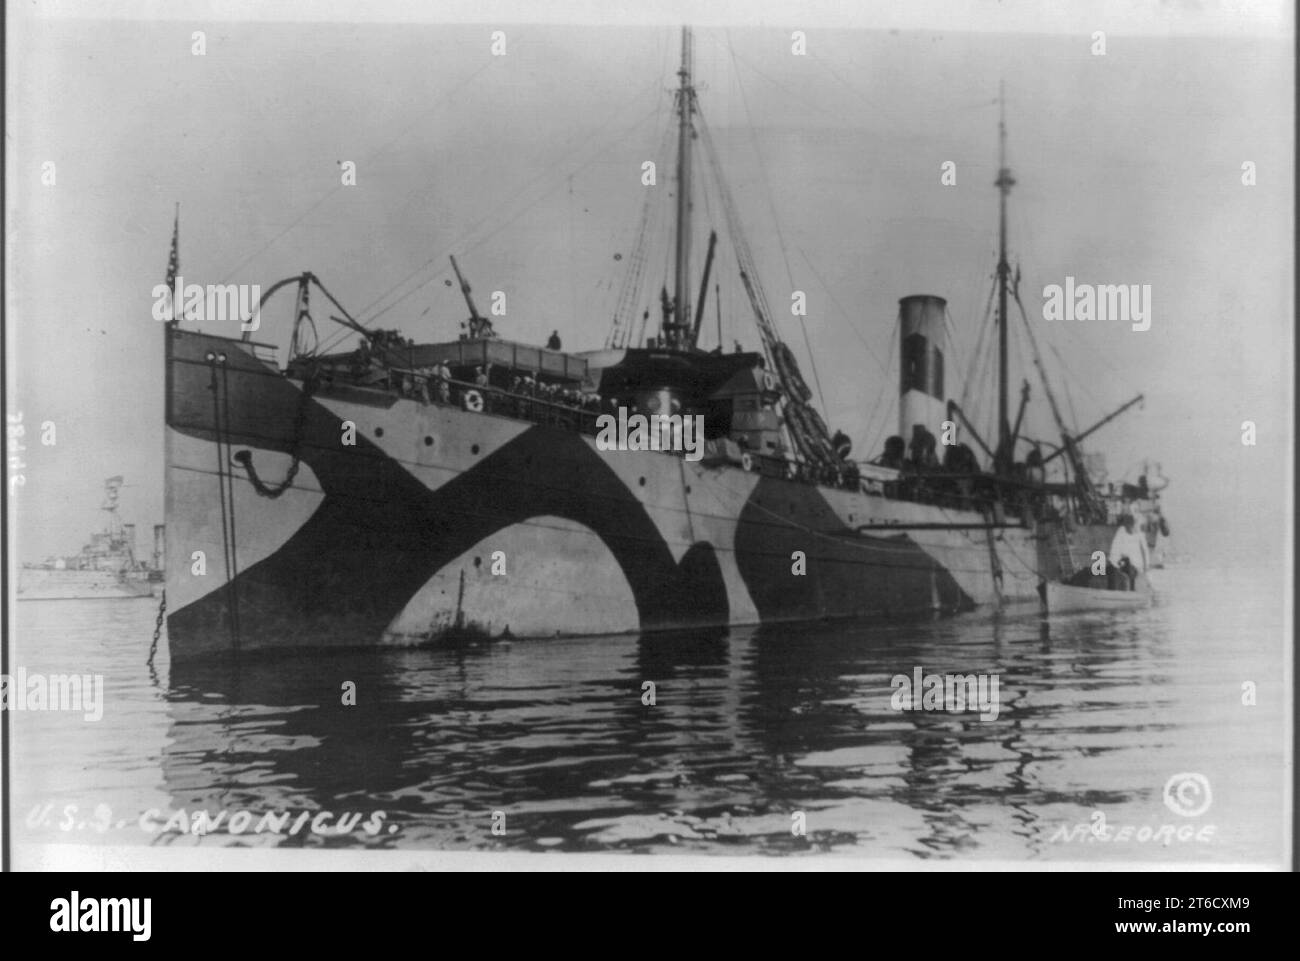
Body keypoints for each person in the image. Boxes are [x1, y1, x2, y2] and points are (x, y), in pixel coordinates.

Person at [1108, 513, 1149, 591]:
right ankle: (1113, 591)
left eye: (1130, 525)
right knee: (1113, 569)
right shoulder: (1121, 531)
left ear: (1133, 524)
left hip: (1133, 564)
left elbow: (1144, 551)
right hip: (1121, 561)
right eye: (1127, 525)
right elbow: (1114, 549)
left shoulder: (1139, 534)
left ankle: (1132, 590)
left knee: (1131, 568)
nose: (1129, 527)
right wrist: (1115, 562)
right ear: (1125, 525)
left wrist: (1145, 567)